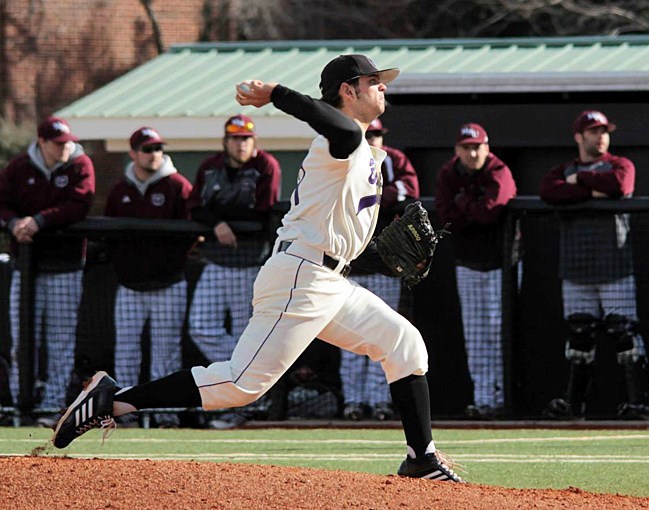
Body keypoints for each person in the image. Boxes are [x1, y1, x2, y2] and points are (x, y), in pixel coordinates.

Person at [52, 54, 463, 483]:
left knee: (404, 345)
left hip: (329, 277)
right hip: (301, 276)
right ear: (348, 90)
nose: (383, 87)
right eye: (374, 81)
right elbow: (337, 127)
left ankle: (422, 458)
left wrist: (382, 258)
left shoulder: (366, 153)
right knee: (241, 385)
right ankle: (113, 401)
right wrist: (277, 95)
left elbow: (340, 239)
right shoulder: (341, 142)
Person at [540, 110, 649, 420]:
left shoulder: (620, 164)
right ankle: (575, 407)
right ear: (579, 136)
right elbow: (549, 191)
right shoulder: (563, 169)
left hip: (615, 266)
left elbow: (620, 183)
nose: (600, 136)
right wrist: (591, 189)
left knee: (624, 336)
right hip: (577, 270)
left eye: (604, 130)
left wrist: (580, 183)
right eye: (593, 131)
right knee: (579, 338)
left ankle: (637, 403)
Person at [186, 114, 281, 429]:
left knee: (247, 331)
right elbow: (195, 206)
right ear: (225, 140)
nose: (241, 144)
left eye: (246, 138)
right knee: (200, 326)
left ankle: (249, 401)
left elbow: (262, 209)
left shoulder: (265, 165)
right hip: (215, 259)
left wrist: (221, 216)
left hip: (251, 262)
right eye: (235, 138)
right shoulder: (210, 167)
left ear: (254, 141)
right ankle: (241, 369)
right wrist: (217, 223)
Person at [0, 116, 95, 427]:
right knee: (22, 341)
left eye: (67, 141)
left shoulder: (81, 164)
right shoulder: (18, 168)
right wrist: (14, 223)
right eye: (58, 142)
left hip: (65, 268)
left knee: (60, 341)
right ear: (41, 142)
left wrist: (38, 220)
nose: (65, 146)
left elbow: (79, 204)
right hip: (26, 269)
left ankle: (52, 406)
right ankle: (20, 406)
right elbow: (2, 203)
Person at [104, 127, 193, 428]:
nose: (154, 154)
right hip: (130, 286)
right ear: (133, 153)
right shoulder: (120, 190)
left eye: (158, 148)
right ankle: (124, 413)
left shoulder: (178, 185)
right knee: (126, 352)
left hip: (169, 284)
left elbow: (194, 230)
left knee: (165, 355)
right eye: (147, 149)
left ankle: (165, 415)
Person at [434, 122, 517, 419]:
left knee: (498, 332)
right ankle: (483, 399)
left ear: (487, 147)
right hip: (467, 264)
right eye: (466, 148)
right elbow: (446, 216)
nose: (472, 153)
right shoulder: (449, 172)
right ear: (457, 150)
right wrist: (472, 207)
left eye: (477, 147)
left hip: (500, 267)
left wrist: (464, 203)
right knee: (476, 335)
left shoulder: (498, 170)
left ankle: (502, 398)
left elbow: (490, 211)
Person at [341, 118, 419, 421]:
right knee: (348, 337)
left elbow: (409, 189)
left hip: (386, 264)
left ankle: (379, 401)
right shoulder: (347, 160)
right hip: (351, 263)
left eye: (376, 134)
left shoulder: (394, 159)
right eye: (367, 133)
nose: (372, 138)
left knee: (382, 335)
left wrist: (375, 197)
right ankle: (353, 400)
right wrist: (381, 197)